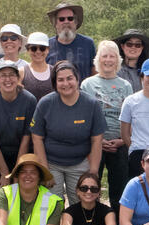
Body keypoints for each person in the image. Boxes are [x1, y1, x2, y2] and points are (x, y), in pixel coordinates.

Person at [30, 61, 105, 200]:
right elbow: (37, 138)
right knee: (51, 205)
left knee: (82, 203)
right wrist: (45, 171)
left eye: (69, 78)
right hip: (51, 163)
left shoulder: (91, 104)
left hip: (80, 162)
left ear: (77, 79)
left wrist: (93, 172)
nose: (66, 83)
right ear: (55, 83)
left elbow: (97, 140)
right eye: (60, 80)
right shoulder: (45, 103)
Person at [83, 41, 135, 203]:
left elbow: (131, 117)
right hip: (94, 143)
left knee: (119, 187)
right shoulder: (88, 84)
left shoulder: (126, 86)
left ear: (117, 60)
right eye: (104, 56)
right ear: (98, 59)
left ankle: (118, 223)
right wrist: (98, 141)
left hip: (119, 143)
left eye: (112, 56)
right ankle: (92, 221)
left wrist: (122, 140)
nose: (108, 60)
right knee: (91, 184)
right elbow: (84, 117)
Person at [0, 63, 38, 188]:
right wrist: (5, 173)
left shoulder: (29, 100)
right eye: (3, 76)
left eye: (11, 75)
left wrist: (17, 171)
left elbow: (26, 138)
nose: (7, 79)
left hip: (21, 151)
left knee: (21, 185)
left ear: (18, 78)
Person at [46, 2, 95, 81]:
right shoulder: (46, 46)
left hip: (82, 92)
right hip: (55, 92)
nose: (66, 21)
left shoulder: (88, 43)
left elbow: (95, 72)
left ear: (75, 22)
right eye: (61, 19)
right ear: (55, 23)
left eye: (70, 18)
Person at [20, 32, 57, 99]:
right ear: (28, 50)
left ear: (48, 50)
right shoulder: (21, 72)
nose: (38, 52)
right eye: (34, 48)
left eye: (42, 48)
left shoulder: (55, 72)